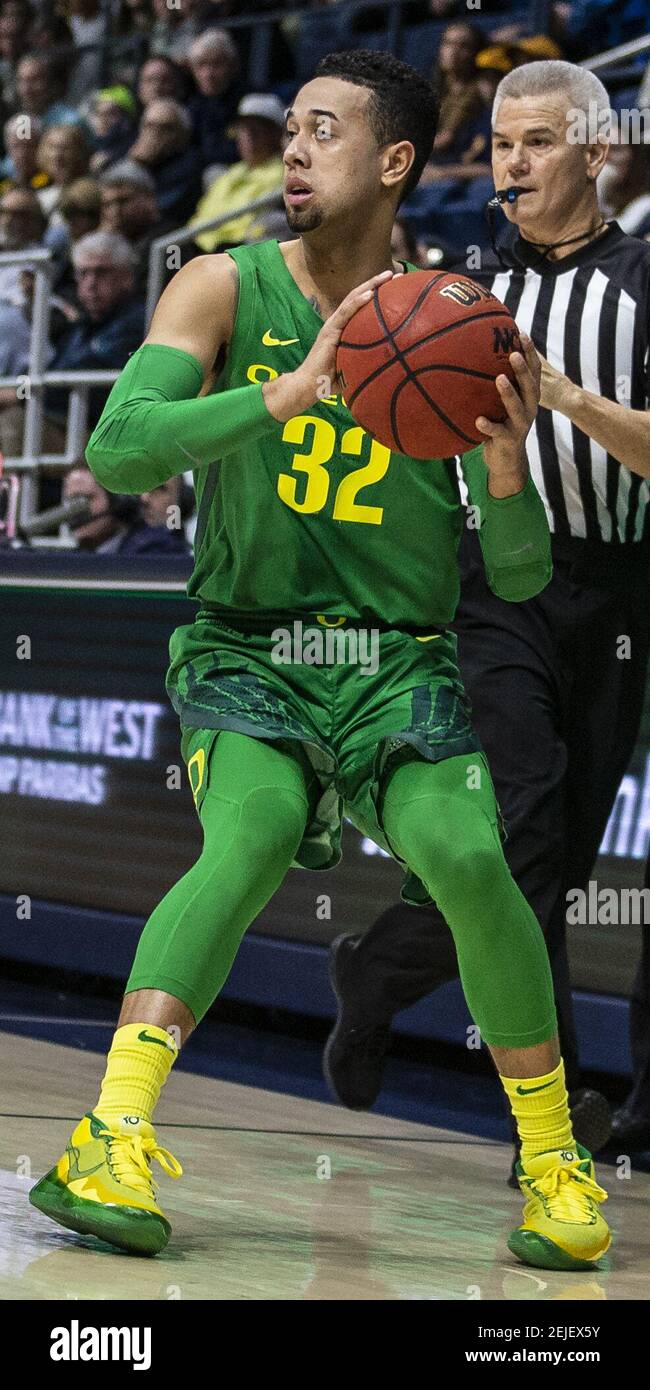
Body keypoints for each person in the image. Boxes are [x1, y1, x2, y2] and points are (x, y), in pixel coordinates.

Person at [29, 48, 610, 1275]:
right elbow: (125, 450)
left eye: (322, 130)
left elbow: (509, 576)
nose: (292, 150)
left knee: (466, 850)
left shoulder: (449, 321)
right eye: (286, 128)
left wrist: (504, 472)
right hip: (247, 644)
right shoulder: (219, 287)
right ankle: (110, 1136)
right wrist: (281, 395)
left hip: (397, 661)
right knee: (245, 836)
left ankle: (556, 1166)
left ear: (395, 161)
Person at [325, 58, 650, 1185]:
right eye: (501, 145)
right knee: (523, 832)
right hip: (490, 581)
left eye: (536, 143)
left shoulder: (641, 276)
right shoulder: (449, 290)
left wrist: (566, 400)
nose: (509, 162)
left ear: (595, 151)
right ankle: (545, 1129)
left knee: (554, 858)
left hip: (616, 586)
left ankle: (373, 974)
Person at [44, 229, 145, 437]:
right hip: (72, 429)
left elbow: (87, 373)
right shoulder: (81, 326)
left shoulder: (138, 320)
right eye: (83, 273)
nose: (90, 283)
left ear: (125, 277)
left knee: (14, 420)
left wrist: (21, 396)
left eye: (101, 272)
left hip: (109, 436)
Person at [189, 92, 284, 252]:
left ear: (275, 135)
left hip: (239, 249)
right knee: (171, 251)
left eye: (256, 131)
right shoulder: (226, 174)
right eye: (243, 131)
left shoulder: (285, 173)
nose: (248, 137)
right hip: (200, 247)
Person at [61, 462, 191, 553]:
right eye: (71, 500)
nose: (143, 498)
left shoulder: (155, 547)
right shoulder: (77, 556)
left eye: (86, 499)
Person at [127, 96, 202, 225]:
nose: (154, 133)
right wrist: (133, 165)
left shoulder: (189, 165)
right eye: (149, 126)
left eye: (166, 128)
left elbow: (158, 212)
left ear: (183, 135)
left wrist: (140, 166)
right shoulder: (130, 158)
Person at [186, 28, 243, 174]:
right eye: (201, 65)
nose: (208, 74)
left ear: (232, 65)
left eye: (216, 64)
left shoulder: (247, 101)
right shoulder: (191, 108)